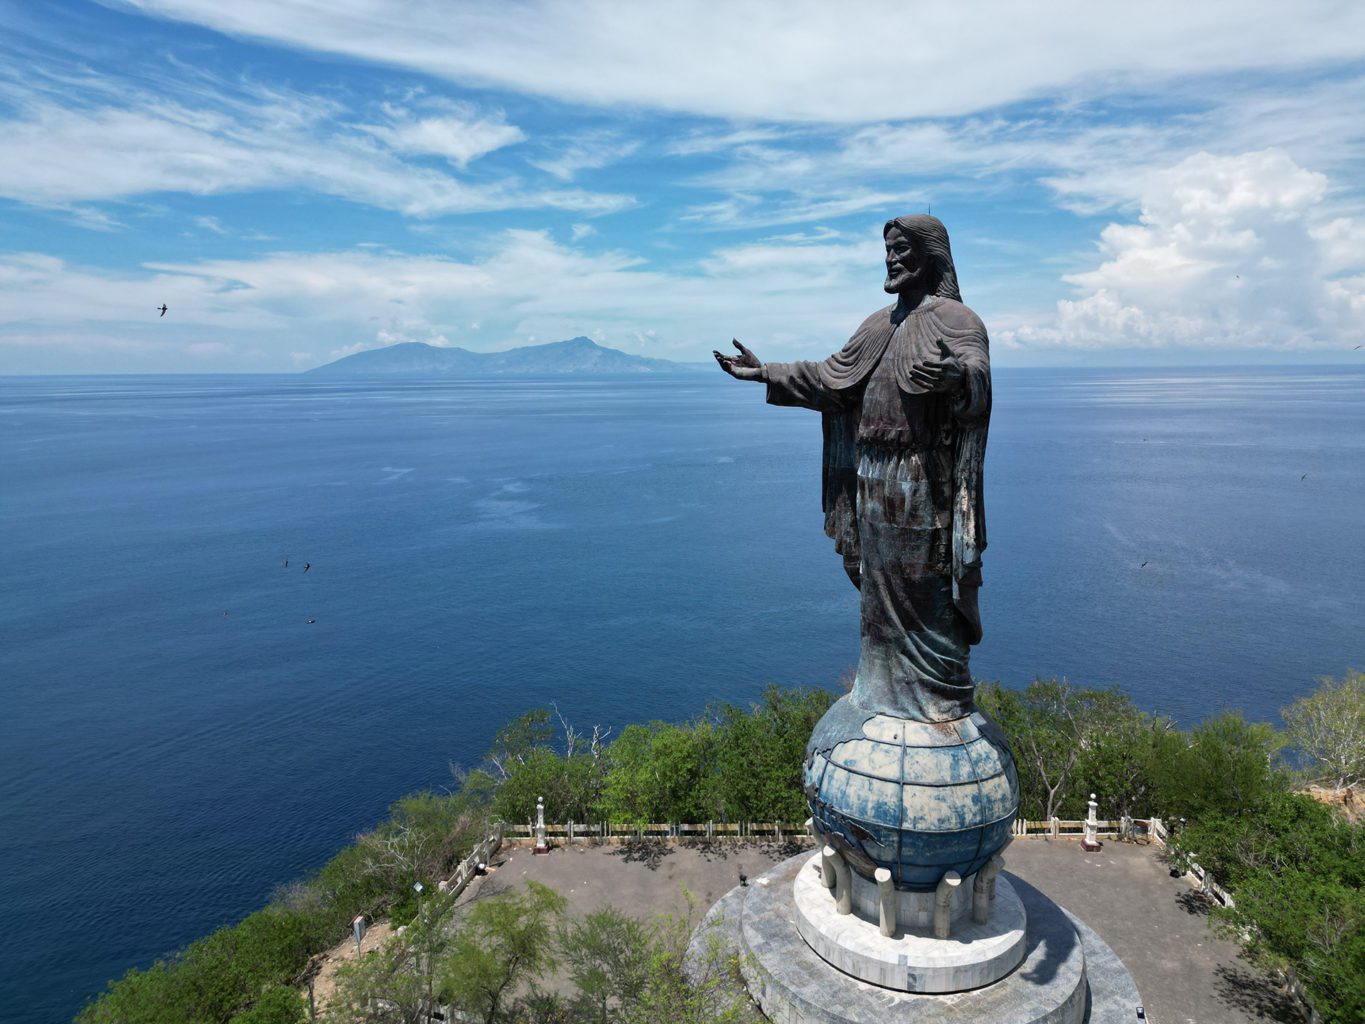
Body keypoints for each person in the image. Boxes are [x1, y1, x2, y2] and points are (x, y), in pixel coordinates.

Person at [714, 215, 990, 723]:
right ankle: (880, 692)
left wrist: (956, 377)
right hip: (871, 485)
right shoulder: (875, 325)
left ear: (931, 255)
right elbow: (829, 380)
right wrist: (765, 371)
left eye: (902, 249)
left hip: (924, 488)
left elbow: (977, 379)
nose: (892, 259)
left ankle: (938, 697)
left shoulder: (958, 321)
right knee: (877, 603)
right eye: (887, 250)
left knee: (925, 597)